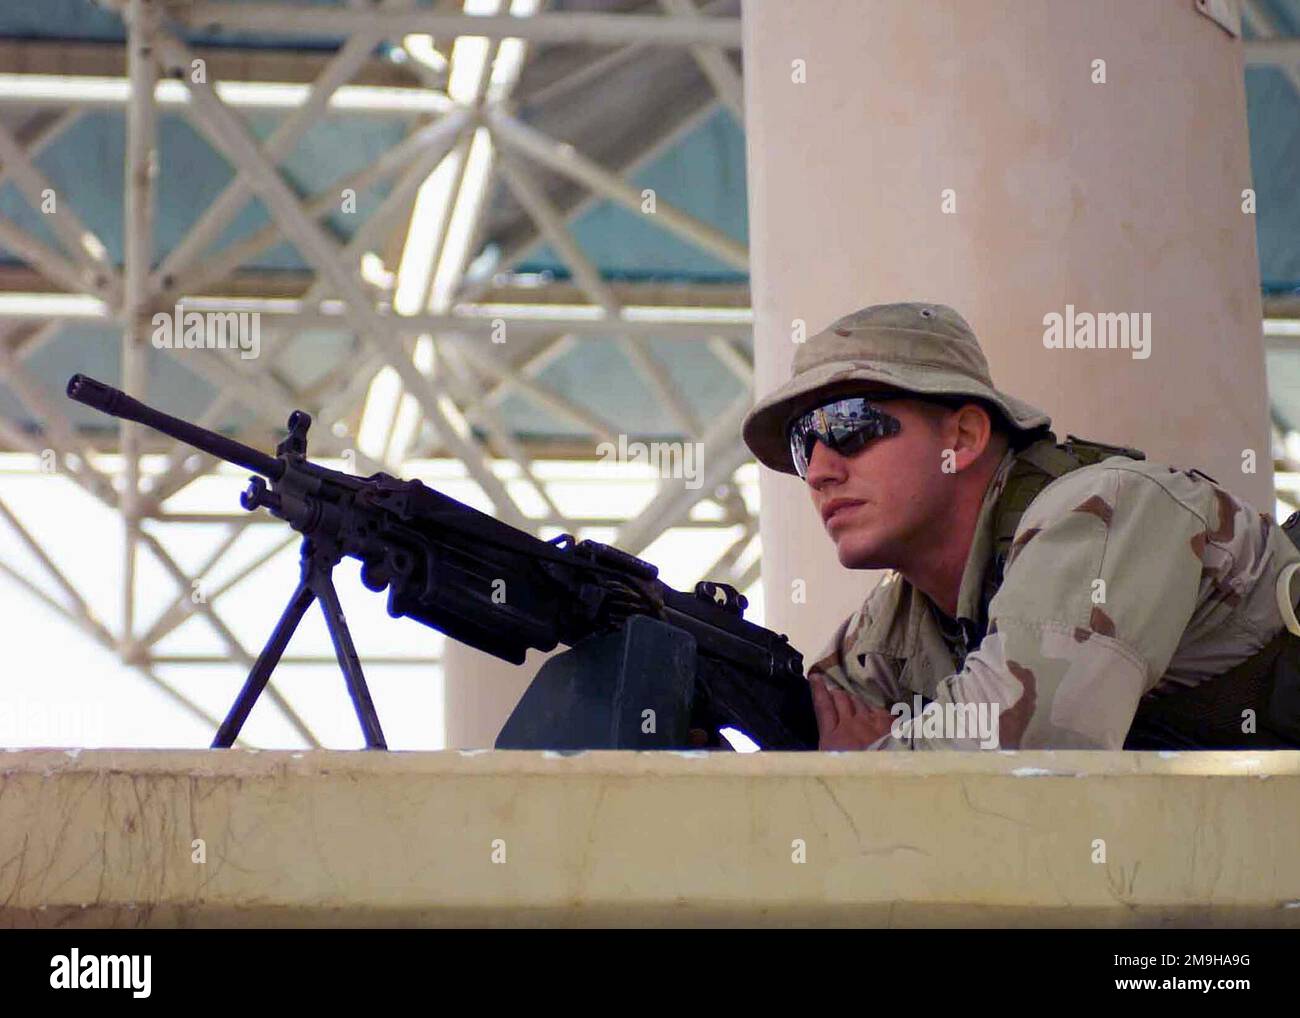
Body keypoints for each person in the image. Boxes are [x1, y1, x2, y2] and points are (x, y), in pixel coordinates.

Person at [741, 302, 1300, 750]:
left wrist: (867, 763)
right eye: (801, 443)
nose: (818, 470)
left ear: (962, 438)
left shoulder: (1107, 509)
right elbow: (811, 738)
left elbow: (1033, 752)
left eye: (847, 425)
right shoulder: (899, 622)